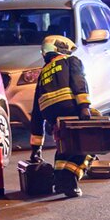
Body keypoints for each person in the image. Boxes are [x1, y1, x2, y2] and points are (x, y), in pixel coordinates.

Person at [29, 32, 92, 198]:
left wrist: (36, 148)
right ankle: (70, 179)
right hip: (71, 109)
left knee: (63, 147)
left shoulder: (43, 74)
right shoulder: (71, 61)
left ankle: (58, 181)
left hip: (52, 117)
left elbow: (36, 111)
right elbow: (79, 82)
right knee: (92, 141)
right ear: (61, 48)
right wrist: (84, 107)